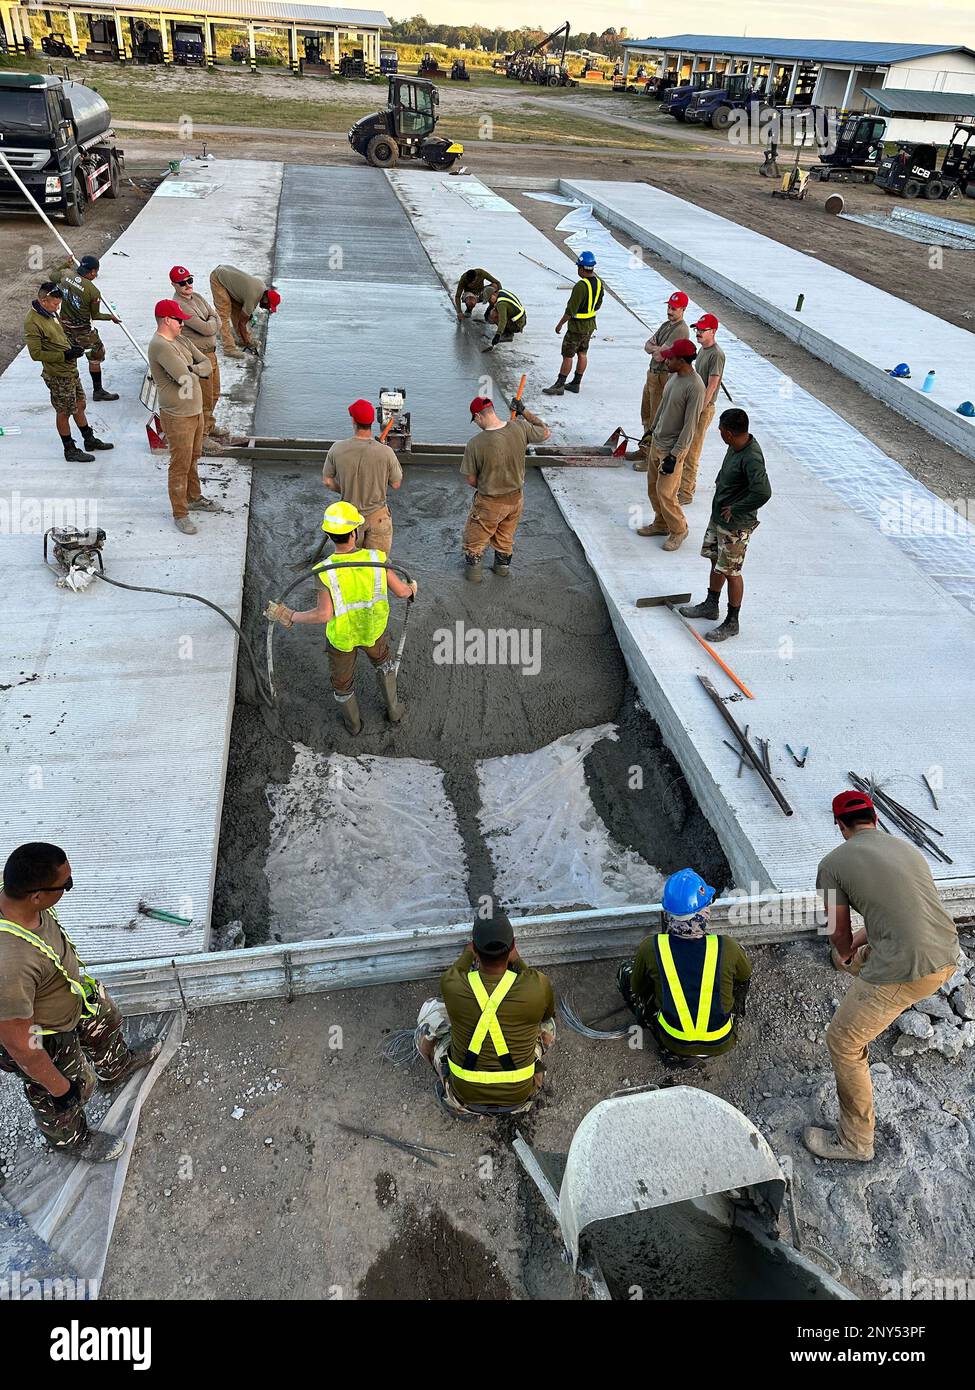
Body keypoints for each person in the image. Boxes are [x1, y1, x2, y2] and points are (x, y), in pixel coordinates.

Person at [805, 791, 960, 1163]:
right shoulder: (906, 849)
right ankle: (865, 979)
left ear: (840, 826)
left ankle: (855, 1142)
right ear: (875, 818)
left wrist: (844, 954)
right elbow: (896, 916)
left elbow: (837, 934)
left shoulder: (832, 865)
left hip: (910, 967)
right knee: (857, 959)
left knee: (843, 1041)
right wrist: (852, 953)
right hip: (947, 951)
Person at [0, 843, 161, 1162]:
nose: (69, 888)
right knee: (66, 1090)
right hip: (45, 1037)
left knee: (106, 1021)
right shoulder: (9, 965)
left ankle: (116, 1067)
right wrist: (60, 1087)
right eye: (66, 885)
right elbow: (21, 1046)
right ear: (36, 896)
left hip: (70, 997)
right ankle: (71, 1139)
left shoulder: (20, 900)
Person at [264, 501, 416, 735]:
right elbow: (402, 592)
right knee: (384, 662)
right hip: (372, 630)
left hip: (342, 638)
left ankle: (353, 726)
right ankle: (394, 710)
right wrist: (412, 587)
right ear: (355, 532)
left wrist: (290, 615)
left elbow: (324, 614)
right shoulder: (377, 557)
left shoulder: (324, 571)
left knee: (342, 684)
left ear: (328, 534)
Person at [417, 905, 556, 1116]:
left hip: (465, 1096)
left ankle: (454, 1102)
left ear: (476, 950)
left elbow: (458, 969)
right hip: (520, 1096)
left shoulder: (452, 983)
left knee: (431, 1012)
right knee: (548, 1025)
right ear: (512, 947)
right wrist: (516, 960)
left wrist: (467, 953)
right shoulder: (538, 984)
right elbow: (546, 1016)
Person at [618, 869, 752, 1065]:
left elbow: (637, 989)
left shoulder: (651, 947)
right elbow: (745, 976)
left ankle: (661, 1039)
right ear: (704, 912)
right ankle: (735, 1014)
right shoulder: (727, 946)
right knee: (737, 975)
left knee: (626, 972)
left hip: (673, 1041)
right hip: (721, 1041)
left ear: (667, 913)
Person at [679, 408, 771, 642]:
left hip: (735, 525)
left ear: (729, 433)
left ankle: (732, 621)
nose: (719, 433)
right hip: (719, 518)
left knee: (732, 571)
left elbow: (763, 492)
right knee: (715, 561)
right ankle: (711, 604)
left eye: (720, 430)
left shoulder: (752, 457)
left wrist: (737, 507)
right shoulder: (735, 446)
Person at [461, 395, 550, 583]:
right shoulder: (520, 427)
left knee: (474, 542)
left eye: (474, 420)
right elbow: (545, 431)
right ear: (492, 411)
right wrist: (524, 411)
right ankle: (501, 572)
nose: (476, 424)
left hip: (490, 502)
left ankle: (473, 579)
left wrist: (487, 484)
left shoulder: (475, 443)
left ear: (478, 416)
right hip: (516, 499)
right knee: (505, 538)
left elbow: (471, 480)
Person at [24, 282, 113, 463]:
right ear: (43, 301)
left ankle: (89, 439)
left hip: (70, 370)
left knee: (79, 404)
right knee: (64, 411)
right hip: (58, 374)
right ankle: (70, 449)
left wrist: (71, 346)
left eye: (59, 304)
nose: (58, 308)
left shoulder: (50, 313)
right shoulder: (33, 322)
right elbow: (36, 354)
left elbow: (59, 335)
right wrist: (64, 354)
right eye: (55, 304)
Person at [147, 298, 214, 535]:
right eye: (178, 320)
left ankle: (194, 496)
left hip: (195, 410)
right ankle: (180, 513)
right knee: (180, 464)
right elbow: (183, 377)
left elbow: (207, 364)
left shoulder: (181, 339)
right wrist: (196, 370)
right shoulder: (161, 346)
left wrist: (194, 370)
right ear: (167, 320)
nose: (182, 325)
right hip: (178, 415)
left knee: (194, 456)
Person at [635, 338, 704, 552]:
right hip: (658, 442)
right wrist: (651, 430)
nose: (666, 361)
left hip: (671, 450)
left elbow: (690, 426)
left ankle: (679, 529)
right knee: (653, 489)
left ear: (682, 361)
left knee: (666, 493)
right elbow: (663, 406)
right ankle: (661, 523)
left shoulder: (695, 387)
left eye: (671, 358)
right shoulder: (674, 377)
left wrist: (675, 455)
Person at [323, 399, 403, 554]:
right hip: (379, 518)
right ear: (372, 421)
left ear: (353, 420)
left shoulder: (337, 448)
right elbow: (396, 484)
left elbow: (327, 481)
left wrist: (346, 490)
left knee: (350, 565)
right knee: (379, 566)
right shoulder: (386, 452)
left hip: (349, 521)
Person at [169, 264, 226, 454]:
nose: (187, 285)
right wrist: (211, 320)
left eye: (189, 280)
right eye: (182, 282)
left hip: (211, 353)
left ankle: (208, 426)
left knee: (215, 393)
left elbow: (216, 315)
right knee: (203, 399)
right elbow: (208, 328)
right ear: (174, 285)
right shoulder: (179, 305)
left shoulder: (198, 297)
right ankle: (201, 438)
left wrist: (211, 319)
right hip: (198, 357)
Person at [630, 290, 689, 471]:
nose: (670, 311)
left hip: (663, 377)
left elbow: (659, 355)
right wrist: (657, 349)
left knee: (657, 418)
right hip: (652, 375)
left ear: (683, 310)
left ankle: (651, 459)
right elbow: (648, 346)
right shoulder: (666, 325)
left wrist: (657, 350)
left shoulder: (681, 329)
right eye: (669, 307)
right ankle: (644, 449)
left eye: (674, 308)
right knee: (646, 414)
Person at [57, 255, 121, 402]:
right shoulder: (93, 291)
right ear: (92, 272)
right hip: (83, 331)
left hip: (65, 327)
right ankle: (98, 391)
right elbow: (96, 315)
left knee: (69, 356)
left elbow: (52, 275)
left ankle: (68, 390)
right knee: (95, 356)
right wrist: (111, 317)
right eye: (96, 272)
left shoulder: (65, 276)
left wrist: (64, 265)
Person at [680, 312, 726, 506]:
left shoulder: (716, 354)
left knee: (692, 450)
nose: (698, 332)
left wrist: (698, 408)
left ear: (713, 331)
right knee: (684, 445)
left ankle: (686, 492)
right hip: (695, 406)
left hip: (703, 409)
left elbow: (712, 385)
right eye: (697, 329)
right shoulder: (703, 351)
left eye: (702, 330)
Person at [543, 250, 604, 396]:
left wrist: (560, 324)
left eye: (578, 267)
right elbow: (598, 304)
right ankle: (576, 383)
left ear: (582, 268)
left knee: (568, 355)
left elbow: (571, 310)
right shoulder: (599, 283)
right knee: (582, 353)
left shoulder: (580, 286)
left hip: (577, 327)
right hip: (590, 326)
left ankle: (560, 384)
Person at [208, 264, 280, 357]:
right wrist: (248, 344)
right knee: (224, 315)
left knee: (238, 311)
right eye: (268, 306)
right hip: (218, 278)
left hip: (226, 271)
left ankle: (242, 339)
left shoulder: (262, 287)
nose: (267, 308)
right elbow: (242, 323)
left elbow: (242, 315)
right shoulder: (253, 297)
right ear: (266, 299)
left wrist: (246, 338)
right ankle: (229, 348)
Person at [482, 285, 527, 351]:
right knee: (494, 310)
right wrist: (486, 313)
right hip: (520, 319)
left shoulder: (501, 304)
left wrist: (497, 335)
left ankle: (507, 334)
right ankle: (507, 331)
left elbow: (503, 320)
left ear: (493, 294)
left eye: (489, 299)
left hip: (517, 325)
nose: (489, 302)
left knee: (493, 314)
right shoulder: (501, 292)